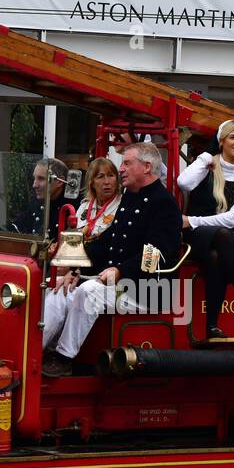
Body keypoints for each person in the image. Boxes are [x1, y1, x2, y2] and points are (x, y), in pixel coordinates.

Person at [42, 143, 181, 377]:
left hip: (150, 288)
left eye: (127, 163)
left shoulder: (163, 203)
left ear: (147, 167)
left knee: (88, 292)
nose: (122, 169)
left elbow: (155, 255)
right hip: (120, 282)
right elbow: (108, 242)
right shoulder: (130, 197)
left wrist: (120, 271)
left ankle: (63, 358)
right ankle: (35, 349)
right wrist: (75, 268)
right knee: (57, 286)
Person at [178, 120, 234, 338]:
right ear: (221, 141)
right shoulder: (208, 165)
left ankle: (212, 327)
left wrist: (192, 220)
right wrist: (206, 156)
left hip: (228, 235)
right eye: (232, 137)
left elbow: (232, 219)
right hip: (198, 237)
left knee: (218, 253)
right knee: (220, 239)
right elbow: (184, 183)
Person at [42, 158, 124, 352]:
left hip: (101, 272)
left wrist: (74, 270)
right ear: (91, 183)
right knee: (48, 285)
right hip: (80, 269)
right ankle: (42, 347)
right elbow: (72, 244)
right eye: (100, 177)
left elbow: (106, 248)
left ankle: (42, 351)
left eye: (111, 176)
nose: (107, 182)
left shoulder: (122, 206)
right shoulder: (85, 206)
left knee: (61, 291)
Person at [11, 158, 69, 239]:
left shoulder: (73, 208)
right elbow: (17, 228)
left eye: (41, 179)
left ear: (60, 181)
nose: (34, 185)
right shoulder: (35, 202)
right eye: (34, 178)